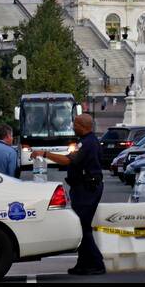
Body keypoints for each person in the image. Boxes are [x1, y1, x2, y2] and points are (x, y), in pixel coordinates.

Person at [34, 113, 105, 275]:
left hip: (87, 189)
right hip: (83, 188)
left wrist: (44, 154)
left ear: (82, 126)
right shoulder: (87, 142)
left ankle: (96, 264)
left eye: (75, 124)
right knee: (80, 227)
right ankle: (84, 264)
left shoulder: (87, 143)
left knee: (83, 227)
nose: (73, 126)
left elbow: (67, 160)